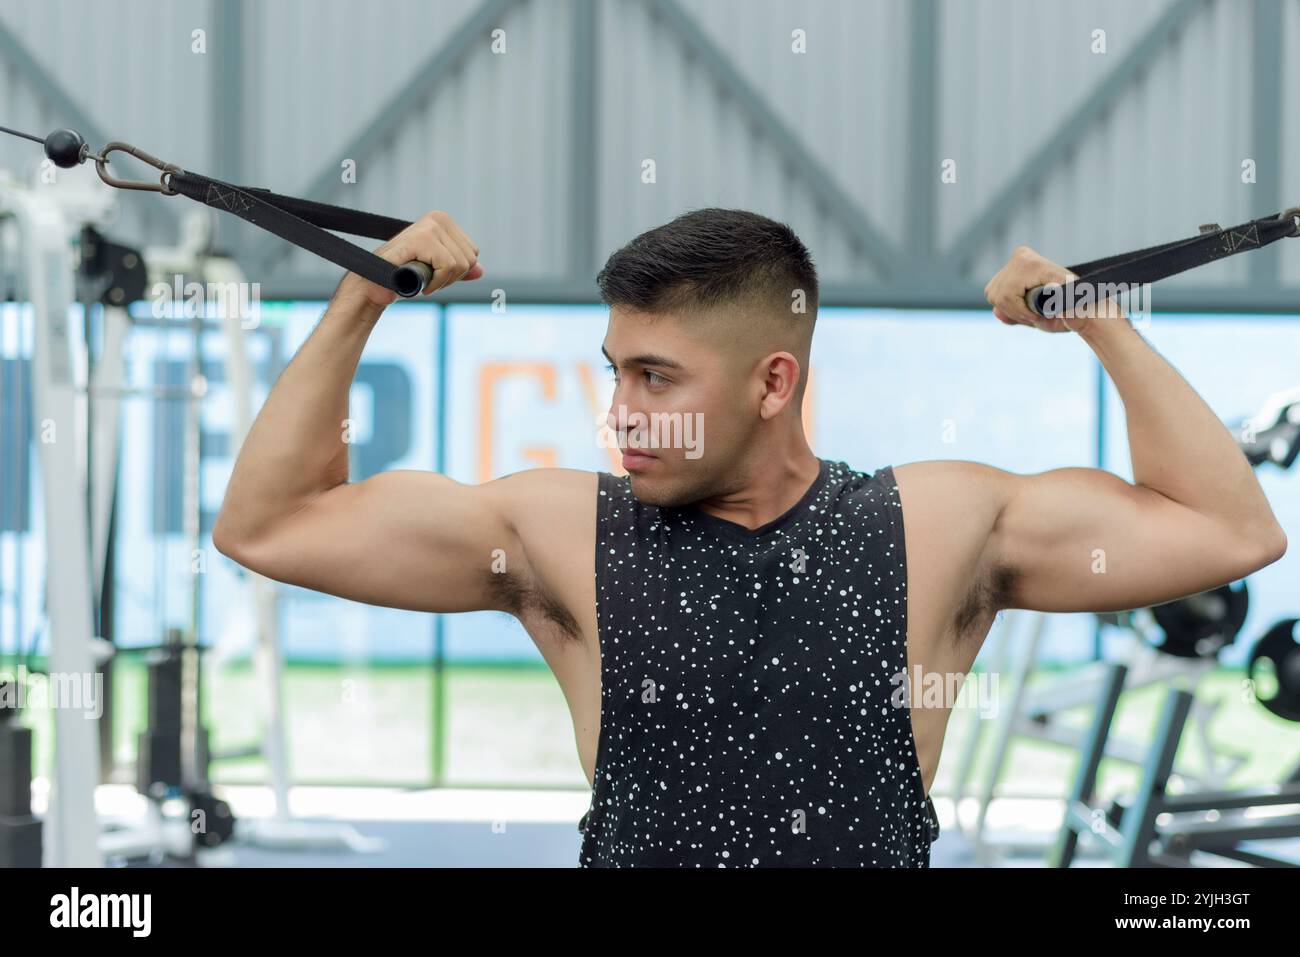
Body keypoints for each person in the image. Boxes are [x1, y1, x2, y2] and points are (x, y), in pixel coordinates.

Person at [212, 207, 1287, 867]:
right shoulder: (560, 529)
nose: (621, 411)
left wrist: (1100, 315)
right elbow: (271, 525)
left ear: (774, 381)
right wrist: (363, 296)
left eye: (655, 376)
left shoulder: (936, 522)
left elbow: (1225, 531)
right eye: (614, 371)